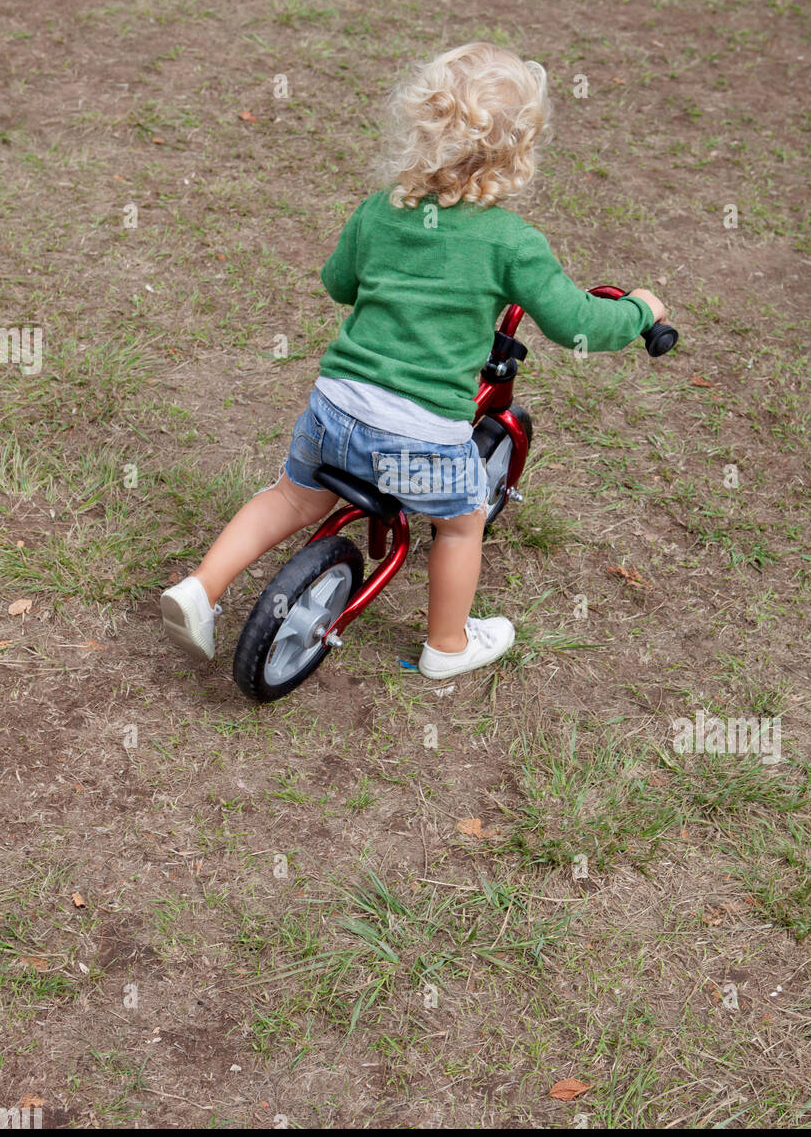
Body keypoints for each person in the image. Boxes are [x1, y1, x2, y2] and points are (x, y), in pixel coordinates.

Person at [160, 42, 666, 679]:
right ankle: (447, 646)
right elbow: (577, 324)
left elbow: (339, 282)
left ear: (420, 126)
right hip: (417, 443)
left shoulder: (381, 209)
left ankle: (201, 588)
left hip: (334, 410)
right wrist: (640, 311)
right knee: (460, 522)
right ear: (520, 150)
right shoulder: (511, 242)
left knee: (291, 496)